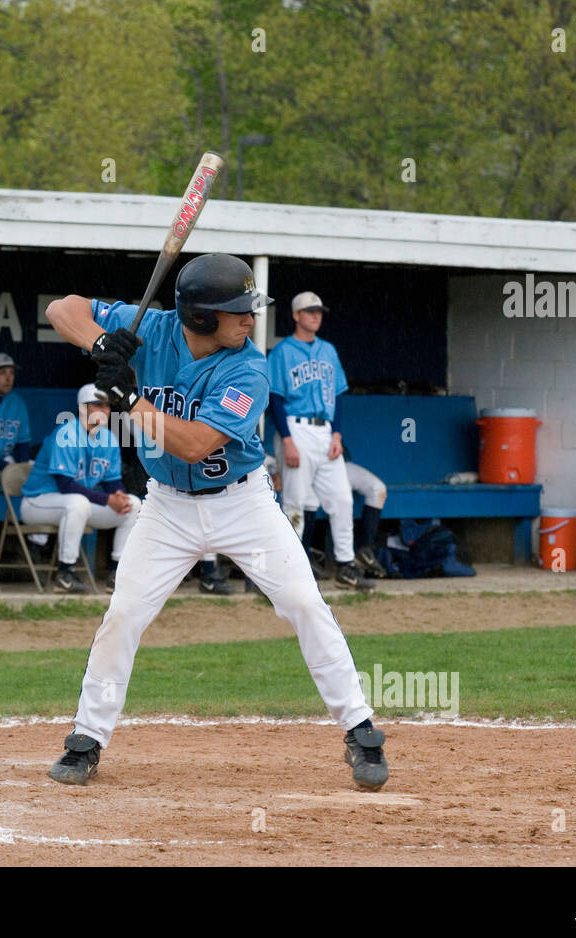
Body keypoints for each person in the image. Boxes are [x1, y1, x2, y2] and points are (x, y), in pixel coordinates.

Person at [42, 254, 387, 790]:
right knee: (123, 615)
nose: (251, 320)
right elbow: (62, 308)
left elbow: (195, 442)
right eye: (238, 312)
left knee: (303, 602)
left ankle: (361, 731)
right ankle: (86, 739)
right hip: (167, 507)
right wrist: (101, 345)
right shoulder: (153, 328)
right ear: (200, 317)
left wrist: (129, 397)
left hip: (242, 504)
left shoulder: (249, 366)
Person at [267, 291, 372, 591]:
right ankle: (289, 572)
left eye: (319, 311)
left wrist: (337, 433)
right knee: (295, 502)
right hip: (296, 429)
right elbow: (275, 398)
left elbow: (338, 395)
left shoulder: (328, 350)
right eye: (310, 311)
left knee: (341, 498)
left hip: (326, 432)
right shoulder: (283, 352)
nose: (316, 315)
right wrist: (286, 440)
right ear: (297, 316)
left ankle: (346, 565)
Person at [21, 384, 141, 592]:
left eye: (107, 406)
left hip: (76, 505)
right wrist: (106, 500)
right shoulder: (66, 434)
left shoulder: (109, 438)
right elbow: (66, 485)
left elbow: (112, 482)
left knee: (133, 504)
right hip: (38, 502)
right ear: (83, 408)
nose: (105, 410)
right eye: (98, 405)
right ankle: (65, 573)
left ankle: (117, 574)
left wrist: (118, 495)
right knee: (77, 503)